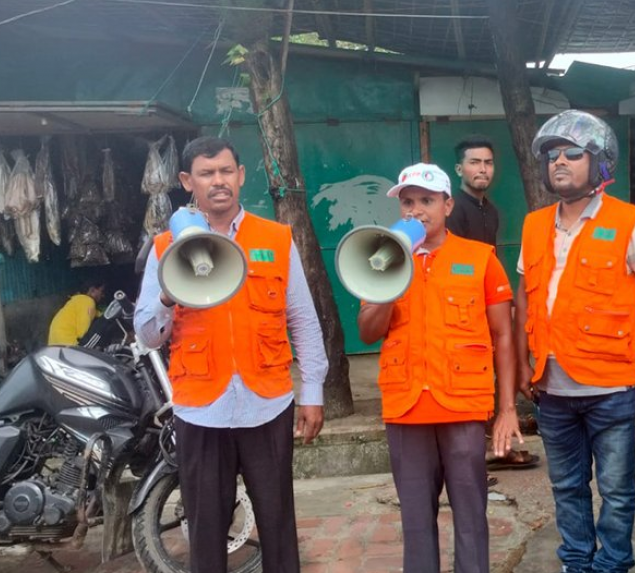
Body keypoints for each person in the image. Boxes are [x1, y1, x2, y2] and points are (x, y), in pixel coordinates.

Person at [134, 136, 328, 573]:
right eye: (206, 173)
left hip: (267, 402)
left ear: (240, 176)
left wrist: (312, 388)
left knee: (278, 524)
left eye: (226, 171)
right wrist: (169, 293)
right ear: (188, 181)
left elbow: (302, 318)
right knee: (205, 531)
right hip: (201, 410)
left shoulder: (275, 239)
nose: (218, 182)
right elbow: (146, 336)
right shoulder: (166, 247)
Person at [514, 110, 635, 573]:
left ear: (600, 162)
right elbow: (526, 301)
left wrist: (628, 328)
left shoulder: (630, 222)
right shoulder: (533, 226)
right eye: (552, 156)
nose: (559, 162)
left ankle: (612, 564)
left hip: (610, 387)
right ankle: (576, 561)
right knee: (566, 486)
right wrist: (526, 365)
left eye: (572, 153)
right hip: (552, 386)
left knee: (616, 488)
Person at [356, 162, 520, 573]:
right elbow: (366, 332)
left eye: (427, 201)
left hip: (462, 407)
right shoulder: (380, 258)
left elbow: (503, 335)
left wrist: (507, 409)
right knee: (415, 522)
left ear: (447, 205)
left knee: (470, 518)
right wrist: (387, 284)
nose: (416, 211)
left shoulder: (480, 258)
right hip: (406, 408)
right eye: (408, 203)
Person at [447, 135, 500, 246]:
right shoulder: (451, 209)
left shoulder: (491, 211)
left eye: (488, 163)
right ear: (459, 169)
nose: (483, 169)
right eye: (474, 162)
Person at [47, 279, 106, 346]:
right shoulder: (87, 301)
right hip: (69, 345)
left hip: (54, 347)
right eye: (102, 291)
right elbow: (83, 333)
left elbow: (99, 314)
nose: (103, 296)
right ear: (92, 290)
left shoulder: (76, 301)